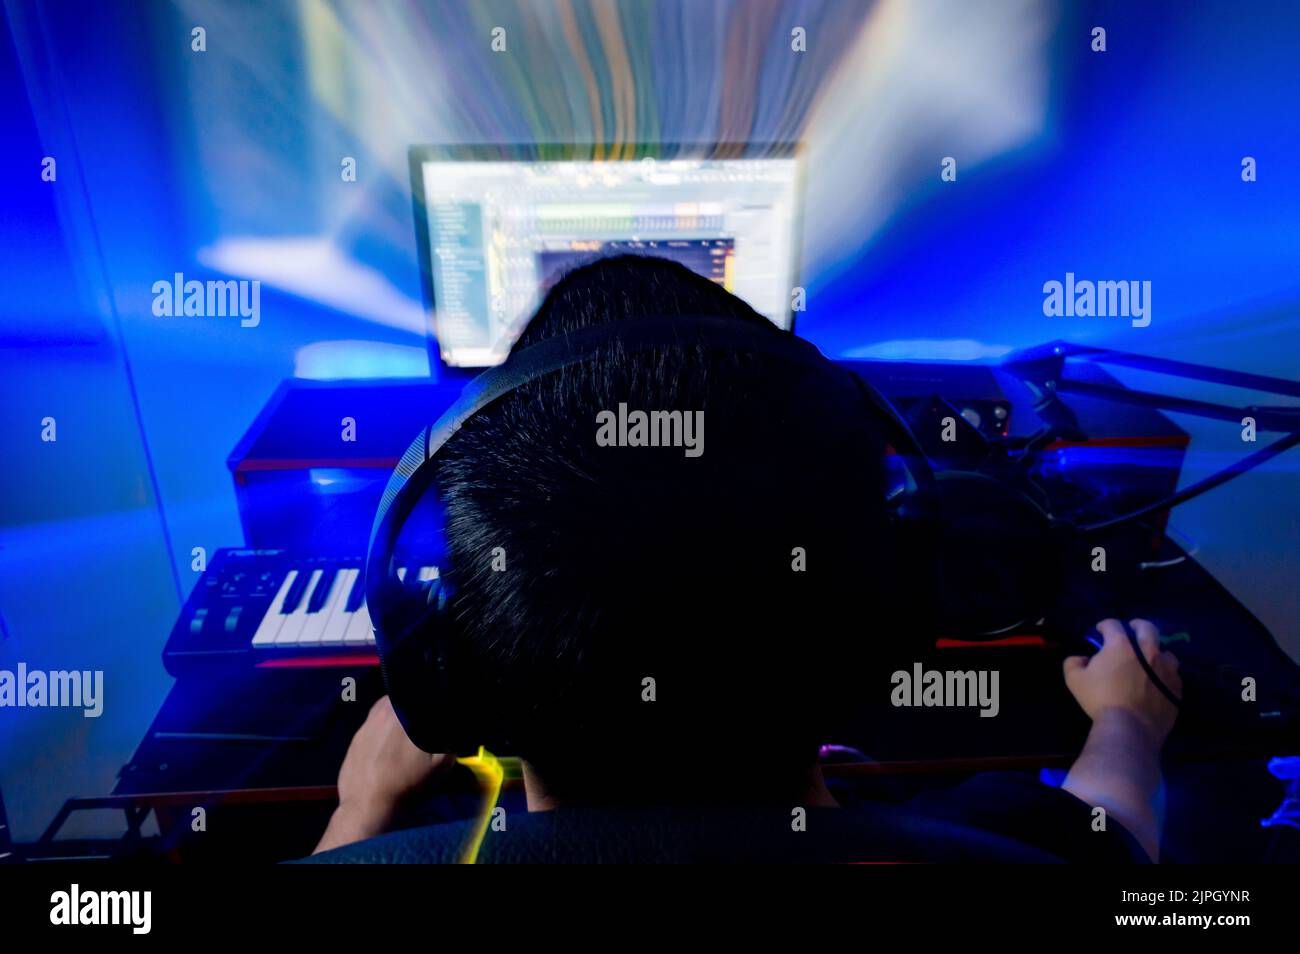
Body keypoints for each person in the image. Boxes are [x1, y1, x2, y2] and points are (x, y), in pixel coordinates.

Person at [313, 256, 1181, 862]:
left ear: (451, 669)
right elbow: (1118, 829)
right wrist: (1127, 724)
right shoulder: (996, 842)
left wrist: (360, 808)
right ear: (881, 617)